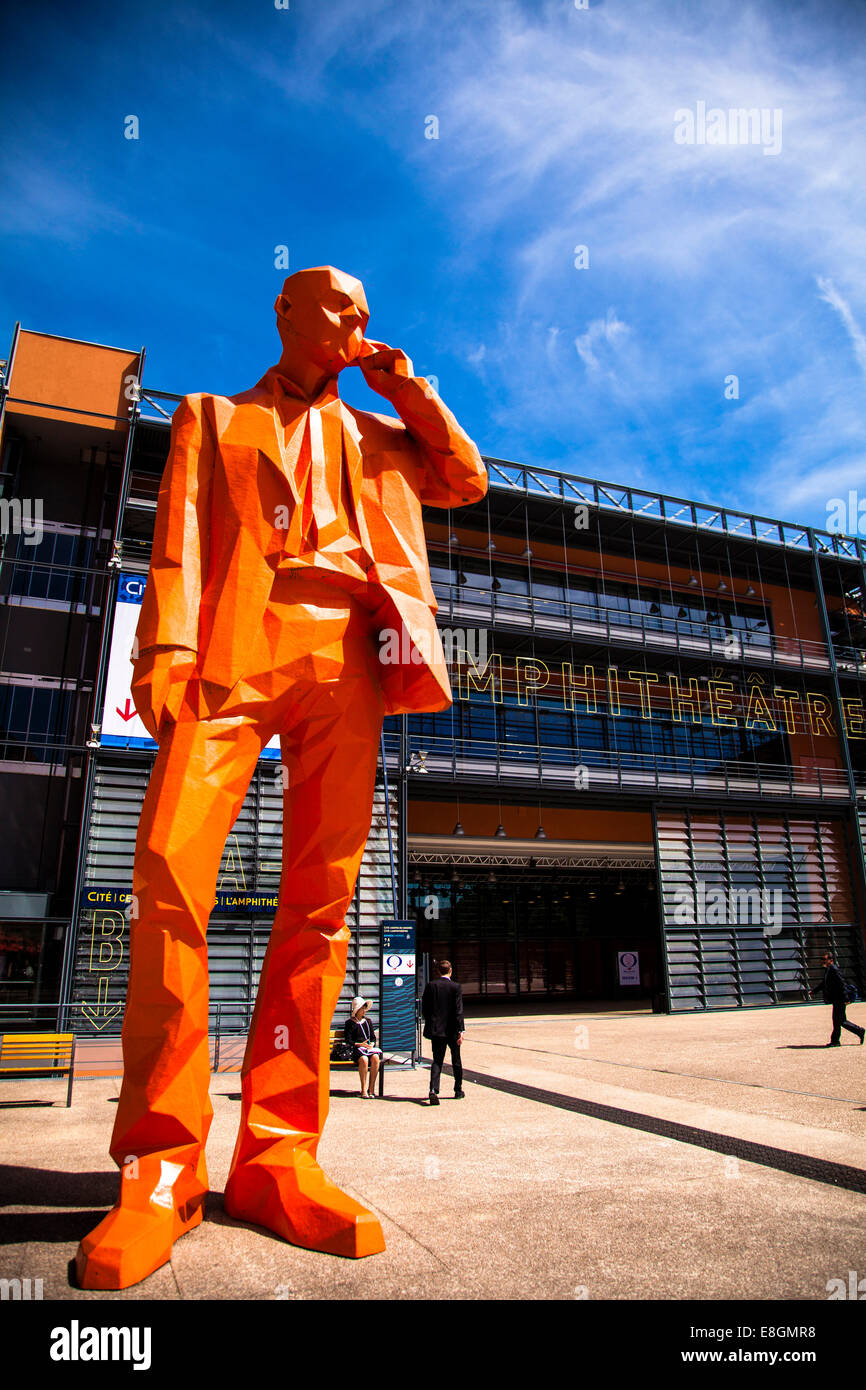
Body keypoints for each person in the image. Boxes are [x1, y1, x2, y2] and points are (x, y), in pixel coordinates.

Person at [75, 266, 487, 1290]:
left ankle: (276, 1153)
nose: (353, 321)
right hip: (233, 647)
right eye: (335, 307)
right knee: (167, 873)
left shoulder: (385, 439)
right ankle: (163, 1163)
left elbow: (464, 479)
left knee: (323, 905)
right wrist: (160, 653)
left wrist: (408, 390)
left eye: (363, 311)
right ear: (285, 313)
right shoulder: (211, 418)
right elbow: (175, 542)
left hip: (348, 657)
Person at [422, 959, 465, 1105]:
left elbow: (425, 1008)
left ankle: (433, 1089)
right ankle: (458, 1089)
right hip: (452, 1029)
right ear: (450, 970)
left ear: (438, 971)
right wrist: (461, 1030)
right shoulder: (456, 987)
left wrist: (431, 1022)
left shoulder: (431, 986)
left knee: (437, 1061)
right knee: (456, 1060)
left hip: (437, 1030)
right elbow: (459, 1010)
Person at [814, 951, 864, 1047]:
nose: (822, 961)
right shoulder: (829, 969)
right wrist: (815, 991)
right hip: (837, 999)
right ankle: (858, 1031)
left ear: (831, 960)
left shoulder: (834, 969)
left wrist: (845, 998)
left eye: (824, 959)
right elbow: (824, 983)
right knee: (841, 1021)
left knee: (838, 1020)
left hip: (840, 999)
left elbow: (842, 984)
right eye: (822, 959)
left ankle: (836, 1040)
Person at [344, 997, 382, 1098]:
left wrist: (371, 1044)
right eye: (363, 1008)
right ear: (357, 1009)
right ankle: (363, 1089)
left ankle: (371, 1088)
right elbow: (348, 1040)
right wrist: (360, 1044)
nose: (364, 1010)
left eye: (365, 1008)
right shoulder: (350, 1023)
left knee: (376, 1058)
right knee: (364, 1060)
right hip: (357, 1050)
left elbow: (373, 1037)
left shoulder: (368, 1021)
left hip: (368, 1049)